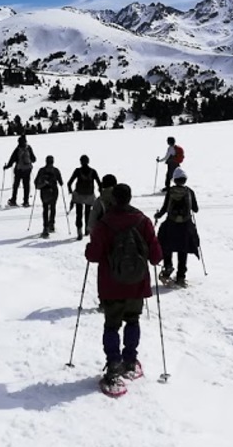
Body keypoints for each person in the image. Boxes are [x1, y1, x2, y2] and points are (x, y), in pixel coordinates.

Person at [85, 183, 163, 394]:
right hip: (136, 284)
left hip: (111, 286)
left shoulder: (104, 223)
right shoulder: (142, 221)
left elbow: (93, 256)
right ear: (130, 198)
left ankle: (113, 366)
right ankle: (130, 360)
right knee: (132, 321)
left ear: (113, 199)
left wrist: (89, 249)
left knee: (111, 326)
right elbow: (156, 257)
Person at [154, 167, 200, 287]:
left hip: (171, 224)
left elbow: (165, 208)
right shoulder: (189, 192)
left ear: (174, 180)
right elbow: (196, 209)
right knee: (182, 250)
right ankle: (181, 276)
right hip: (185, 226)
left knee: (167, 246)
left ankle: (168, 267)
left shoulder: (170, 191)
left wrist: (158, 215)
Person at [68, 155, 101, 241]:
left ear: (80, 162)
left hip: (79, 195)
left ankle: (79, 232)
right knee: (88, 213)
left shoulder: (77, 171)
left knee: (79, 214)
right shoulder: (93, 171)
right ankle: (87, 229)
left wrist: (71, 191)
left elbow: (69, 182)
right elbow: (99, 183)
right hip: (89, 195)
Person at [33, 155, 64, 237]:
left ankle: (45, 227)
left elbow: (36, 181)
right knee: (53, 207)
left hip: (44, 192)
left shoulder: (41, 170)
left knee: (45, 209)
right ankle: (52, 224)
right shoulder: (56, 170)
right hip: (54, 191)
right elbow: (61, 182)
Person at [3, 135, 36, 207]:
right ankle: (26, 201)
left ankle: (13, 200)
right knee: (26, 185)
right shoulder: (28, 148)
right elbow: (34, 159)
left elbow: (12, 159)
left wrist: (7, 167)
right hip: (27, 169)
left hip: (19, 170)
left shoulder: (18, 149)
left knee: (16, 185)